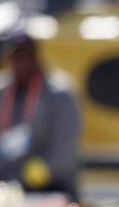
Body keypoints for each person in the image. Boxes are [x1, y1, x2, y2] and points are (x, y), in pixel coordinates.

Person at [0, 31, 81, 198]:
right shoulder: (3, 91)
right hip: (8, 191)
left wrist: (34, 173)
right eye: (15, 57)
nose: (19, 63)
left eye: (25, 56)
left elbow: (64, 154)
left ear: (35, 57)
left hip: (52, 189)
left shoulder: (59, 93)